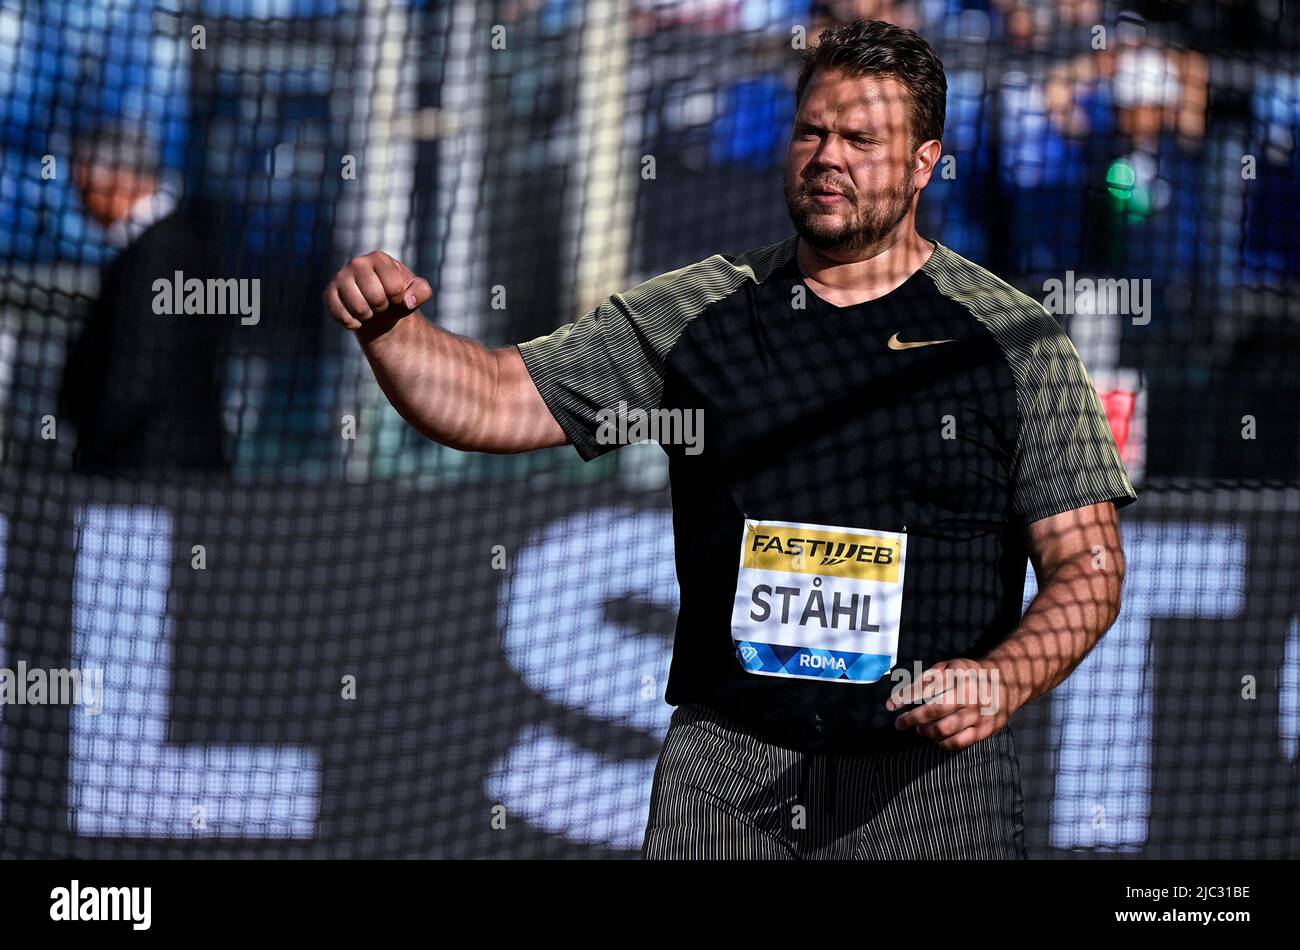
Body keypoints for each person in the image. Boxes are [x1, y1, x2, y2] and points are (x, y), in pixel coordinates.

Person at [324, 18, 1136, 859]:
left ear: (924, 163)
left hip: (927, 783)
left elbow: (1090, 569)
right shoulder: (700, 310)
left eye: (861, 139)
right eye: (812, 132)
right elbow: (494, 399)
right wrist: (392, 333)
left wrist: (1003, 680)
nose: (829, 157)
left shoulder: (1014, 340)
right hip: (728, 771)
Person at [59, 122, 229, 474]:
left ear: (114, 180)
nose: (80, 203)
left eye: (84, 187)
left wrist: (95, 444)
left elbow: (138, 372)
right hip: (170, 471)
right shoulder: (181, 240)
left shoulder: (158, 254)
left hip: (146, 475)